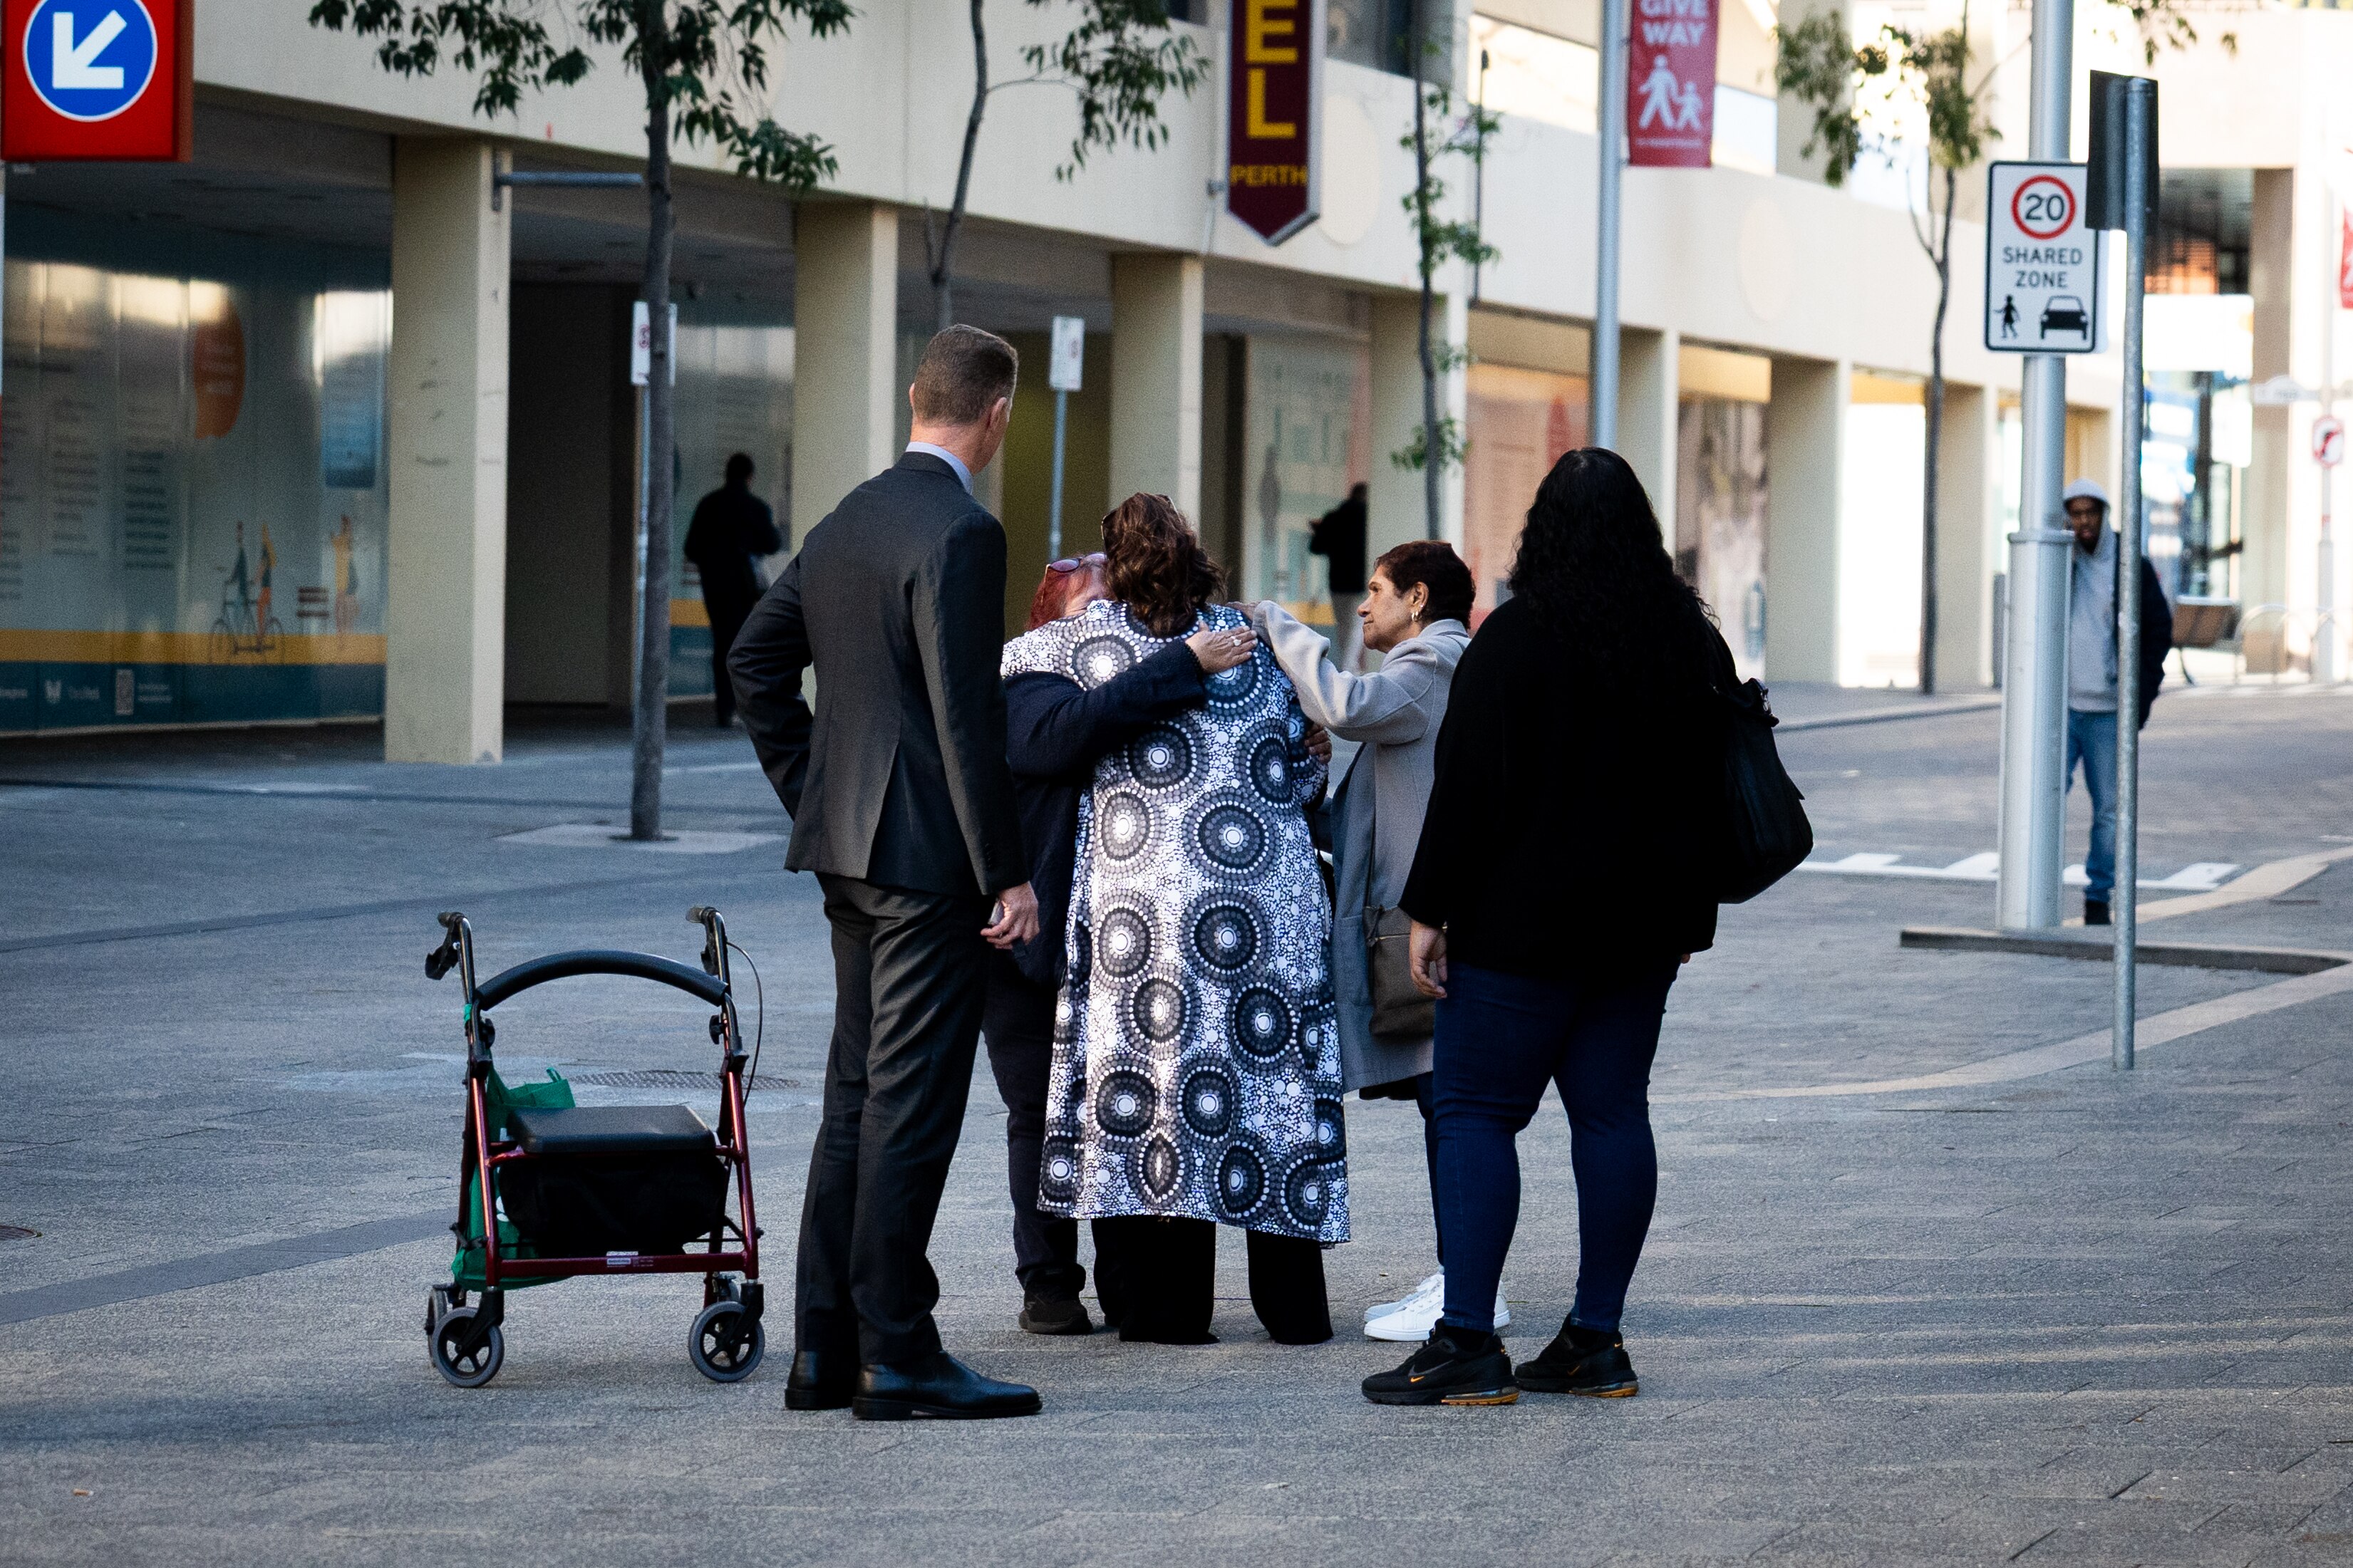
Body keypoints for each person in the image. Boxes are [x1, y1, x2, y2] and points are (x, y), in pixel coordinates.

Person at [1362, 447, 1728, 1408]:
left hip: (1517, 933)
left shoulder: (1514, 642)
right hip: (1638, 937)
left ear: (1542, 534)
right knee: (1613, 1116)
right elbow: (1710, 797)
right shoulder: (1688, 643)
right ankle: (1594, 1340)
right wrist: (1690, 916)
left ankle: (1468, 1343)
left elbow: (1468, 792)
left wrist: (1427, 911)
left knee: (1476, 1114)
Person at [728, 324, 1043, 1422]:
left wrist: (814, 793)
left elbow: (754, 661)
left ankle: (828, 1351)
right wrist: (1006, 872)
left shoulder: (847, 514)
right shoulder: (962, 529)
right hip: (924, 867)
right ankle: (896, 1354)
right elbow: (965, 713)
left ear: (916, 397)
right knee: (908, 1107)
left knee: (856, 1099)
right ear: (993, 414)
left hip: (849, 856)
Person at [1003, 492, 1343, 1346]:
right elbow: (1300, 777)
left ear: (1113, 568)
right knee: (1274, 1097)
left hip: (1141, 913)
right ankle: (1293, 1312)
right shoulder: (1253, 645)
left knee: (1155, 1094)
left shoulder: (1076, 645)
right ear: (1199, 556)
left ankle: (1167, 1311)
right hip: (1269, 909)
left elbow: (1025, 725)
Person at [983, 551, 1256, 1336]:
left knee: (1113, 1109)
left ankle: (1123, 1286)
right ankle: (1048, 1283)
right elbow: (1067, 737)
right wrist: (1178, 662)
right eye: (1094, 607)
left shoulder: (1136, 683)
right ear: (1051, 623)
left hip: (1116, 944)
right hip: (1028, 943)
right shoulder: (1033, 686)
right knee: (1037, 1112)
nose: (1114, 623)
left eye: (1121, 606)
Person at [1248, 541, 1496, 1344]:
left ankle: (1468, 1288)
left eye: (1377, 592)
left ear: (1417, 599)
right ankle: (1461, 1276)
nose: (1362, 607)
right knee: (1443, 1103)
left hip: (1430, 927)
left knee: (1447, 1107)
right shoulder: (1442, 665)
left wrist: (1278, 626)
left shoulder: (1431, 664)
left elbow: (1344, 703)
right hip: (1429, 916)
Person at [2062, 478, 2172, 926]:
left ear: (2104, 515)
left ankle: (2098, 896)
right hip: (2061, 708)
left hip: (2108, 709)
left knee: (2108, 808)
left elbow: (2158, 630)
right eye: (2076, 513)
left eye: (2091, 513)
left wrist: (2141, 695)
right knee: (2047, 796)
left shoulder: (2129, 565)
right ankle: (2039, 884)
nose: (2083, 522)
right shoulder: (2057, 560)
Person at [684, 453, 785, 727]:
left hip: (714, 584)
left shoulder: (709, 505)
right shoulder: (755, 508)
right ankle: (742, 707)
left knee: (721, 642)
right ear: (750, 477)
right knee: (742, 644)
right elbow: (773, 543)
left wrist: (712, 558)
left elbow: (691, 547)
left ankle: (724, 709)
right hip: (743, 586)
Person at [1308, 482, 1370, 670]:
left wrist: (1320, 530)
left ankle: (1347, 667)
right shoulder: (1369, 519)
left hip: (1338, 582)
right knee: (1357, 626)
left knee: (1344, 627)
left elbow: (1316, 547)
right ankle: (1348, 668)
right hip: (1362, 580)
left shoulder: (1334, 518)